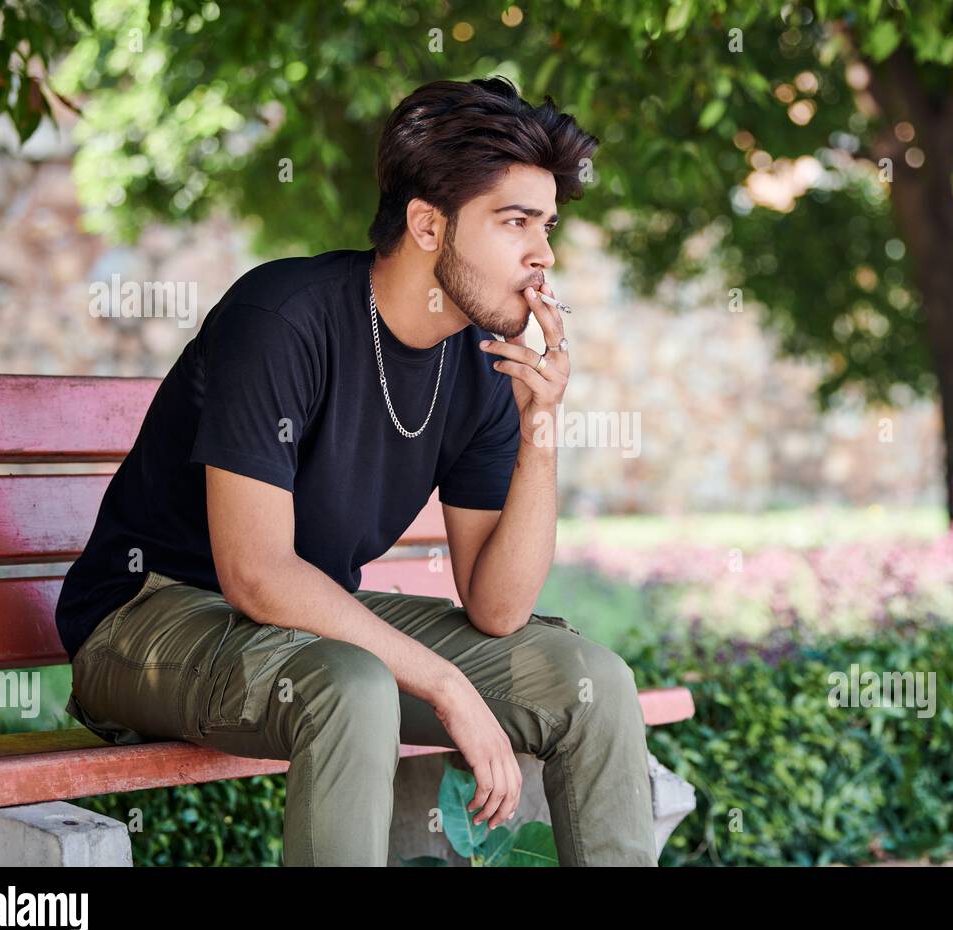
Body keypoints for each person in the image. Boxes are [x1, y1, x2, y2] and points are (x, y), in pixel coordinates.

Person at [54, 76, 658, 866]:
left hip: (309, 627)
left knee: (592, 683)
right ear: (427, 225)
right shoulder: (281, 319)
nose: (543, 253)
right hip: (148, 619)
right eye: (515, 222)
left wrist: (539, 430)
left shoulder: (481, 365)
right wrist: (444, 685)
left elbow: (500, 609)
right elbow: (258, 575)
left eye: (546, 224)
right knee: (356, 684)